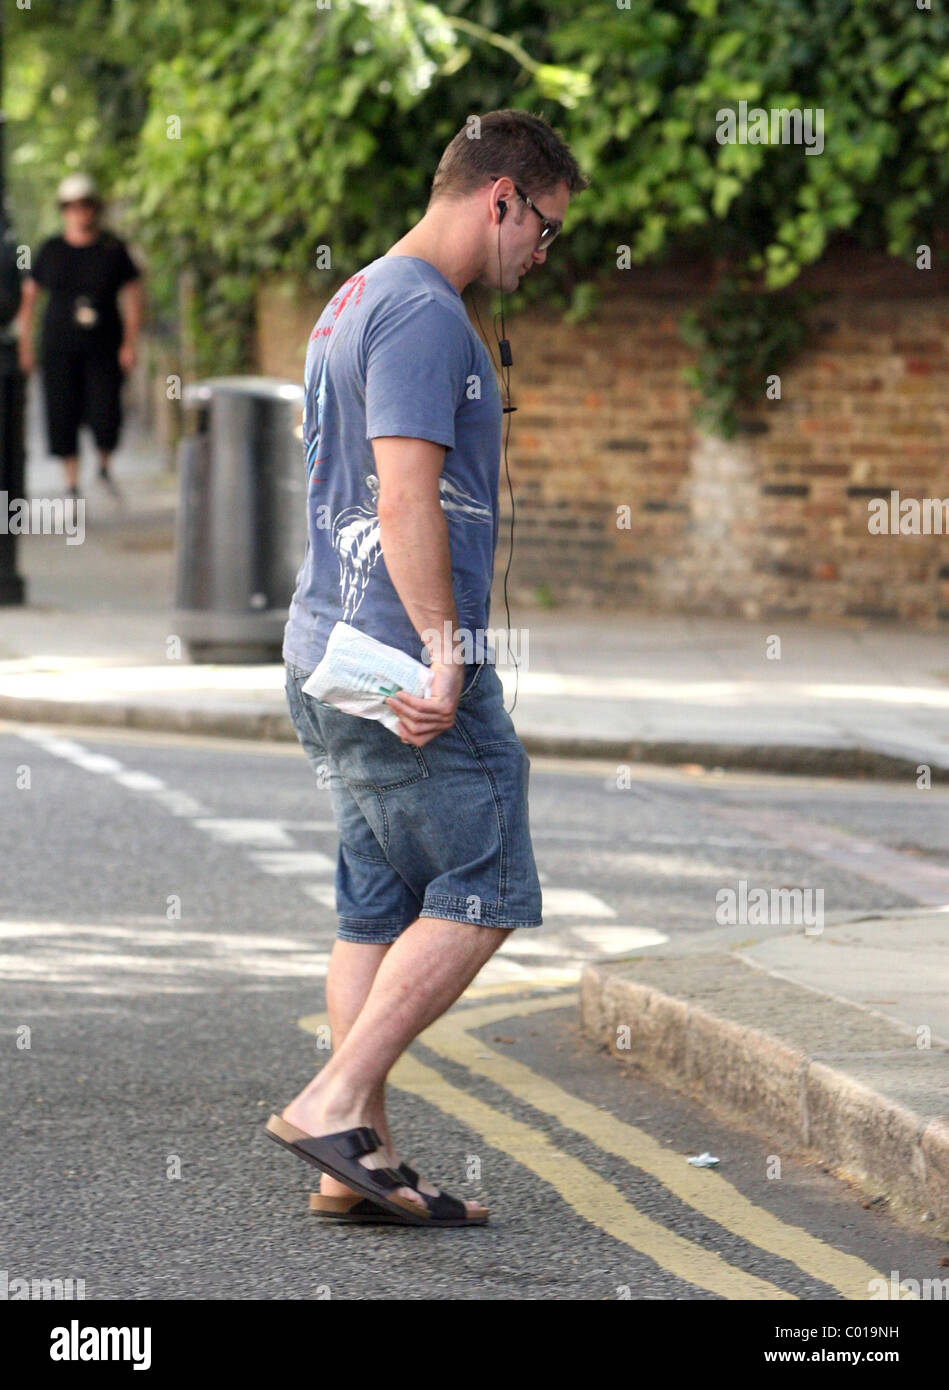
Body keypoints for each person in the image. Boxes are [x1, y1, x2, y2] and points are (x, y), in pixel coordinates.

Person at [270, 110, 587, 1225]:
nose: (540, 256)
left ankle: (355, 1156)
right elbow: (401, 492)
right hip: (403, 663)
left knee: (376, 903)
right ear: (501, 196)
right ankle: (334, 1099)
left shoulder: (351, 296)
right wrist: (448, 650)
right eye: (544, 230)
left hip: (329, 649)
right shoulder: (422, 314)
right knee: (488, 884)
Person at [15, 173, 143, 503]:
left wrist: (130, 342)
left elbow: (133, 294)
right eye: (71, 206)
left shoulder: (112, 249)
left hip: (103, 347)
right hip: (59, 348)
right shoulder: (50, 249)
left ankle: (103, 466)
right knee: (62, 413)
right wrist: (24, 345)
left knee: (105, 413)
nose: (79, 212)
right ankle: (71, 485)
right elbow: (29, 299)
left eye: (85, 205)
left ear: (94, 209)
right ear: (63, 210)